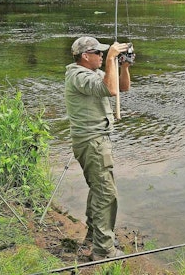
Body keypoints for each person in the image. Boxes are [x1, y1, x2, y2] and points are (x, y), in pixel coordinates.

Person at [65, 36, 131, 261]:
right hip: (91, 142)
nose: (102, 56)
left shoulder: (93, 73)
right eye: (98, 53)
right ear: (85, 56)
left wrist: (122, 66)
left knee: (98, 189)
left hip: (97, 140)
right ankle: (103, 250)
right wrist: (112, 57)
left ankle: (95, 236)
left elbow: (122, 87)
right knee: (106, 193)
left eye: (104, 53)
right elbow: (110, 91)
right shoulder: (78, 76)